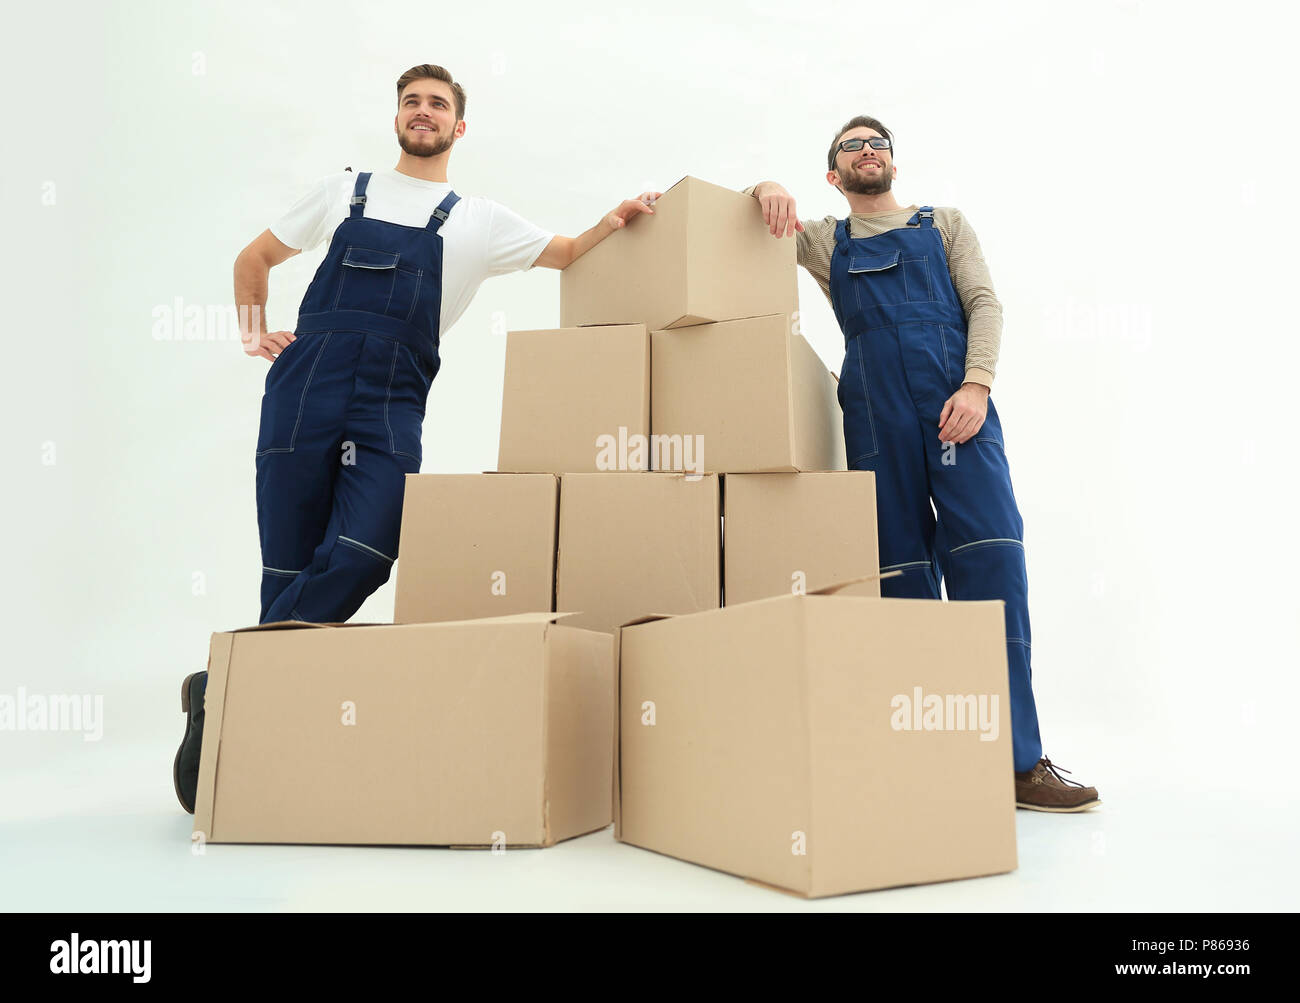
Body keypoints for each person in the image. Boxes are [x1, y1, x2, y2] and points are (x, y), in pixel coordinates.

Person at [173, 63, 658, 813]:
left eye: (437, 104)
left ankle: (227, 678)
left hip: (393, 400)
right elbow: (254, 259)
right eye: (411, 102)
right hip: (306, 387)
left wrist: (617, 216)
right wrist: (251, 334)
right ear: (396, 117)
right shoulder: (344, 191)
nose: (423, 111)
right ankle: (248, 767)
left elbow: (566, 252)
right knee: (289, 564)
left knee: (369, 547)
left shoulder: (479, 219)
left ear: (459, 127)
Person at [746, 115, 1100, 812]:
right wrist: (764, 185)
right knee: (900, 574)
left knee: (993, 557)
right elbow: (740, 223)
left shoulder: (945, 224)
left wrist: (977, 383)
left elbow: (984, 303)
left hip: (956, 409)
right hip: (875, 415)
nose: (867, 152)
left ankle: (1019, 762)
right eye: (852, 146)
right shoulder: (825, 240)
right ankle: (933, 753)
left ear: (894, 165)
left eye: (878, 144)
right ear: (833, 173)